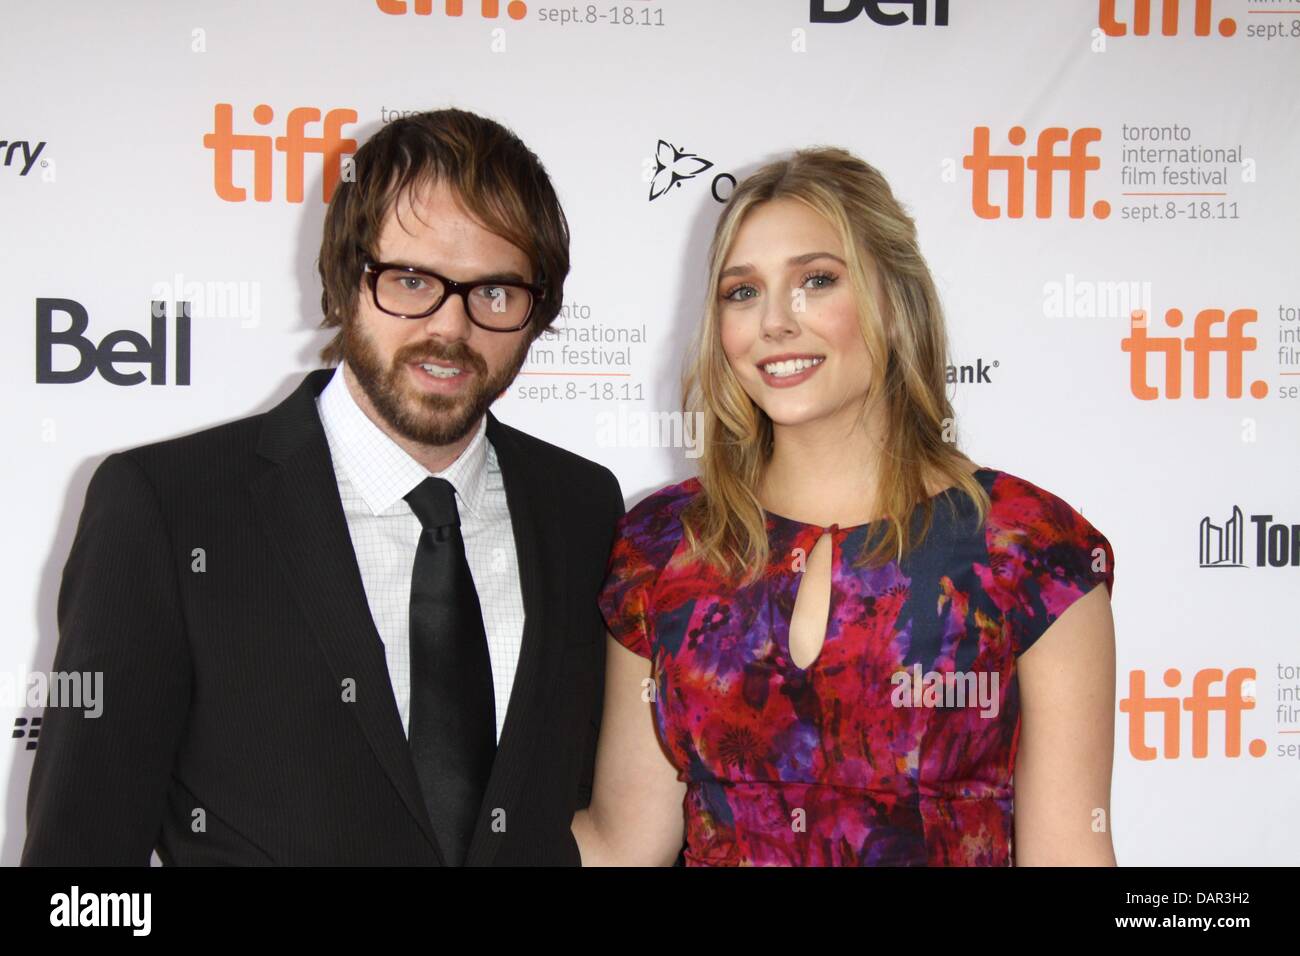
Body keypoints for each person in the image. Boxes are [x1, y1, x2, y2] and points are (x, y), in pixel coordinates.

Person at [23, 108, 623, 866]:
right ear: (346, 278)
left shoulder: (582, 507)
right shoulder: (167, 507)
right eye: (410, 280)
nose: (452, 327)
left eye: (495, 292)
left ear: (537, 310)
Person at [572, 147, 1117, 866]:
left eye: (816, 281)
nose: (774, 322)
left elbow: (1070, 855)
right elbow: (622, 844)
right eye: (742, 292)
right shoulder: (665, 546)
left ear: (894, 298)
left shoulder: (1031, 550)